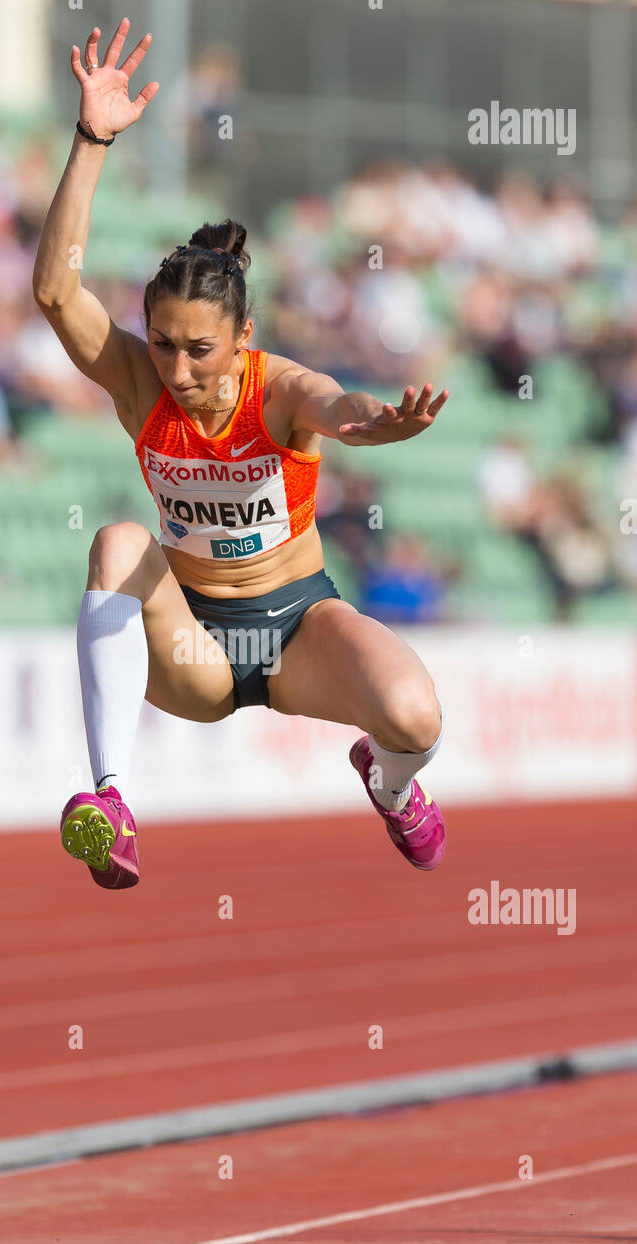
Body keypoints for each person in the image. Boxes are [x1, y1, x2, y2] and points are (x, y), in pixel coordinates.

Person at [32, 19, 449, 889]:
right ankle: (109, 798)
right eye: (161, 344)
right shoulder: (142, 385)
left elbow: (340, 407)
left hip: (298, 628)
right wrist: (92, 138)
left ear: (244, 337)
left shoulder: (279, 387)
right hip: (198, 652)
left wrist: (376, 424)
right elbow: (54, 290)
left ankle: (387, 777)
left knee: (417, 716)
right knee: (115, 541)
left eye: (200, 351)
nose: (177, 371)